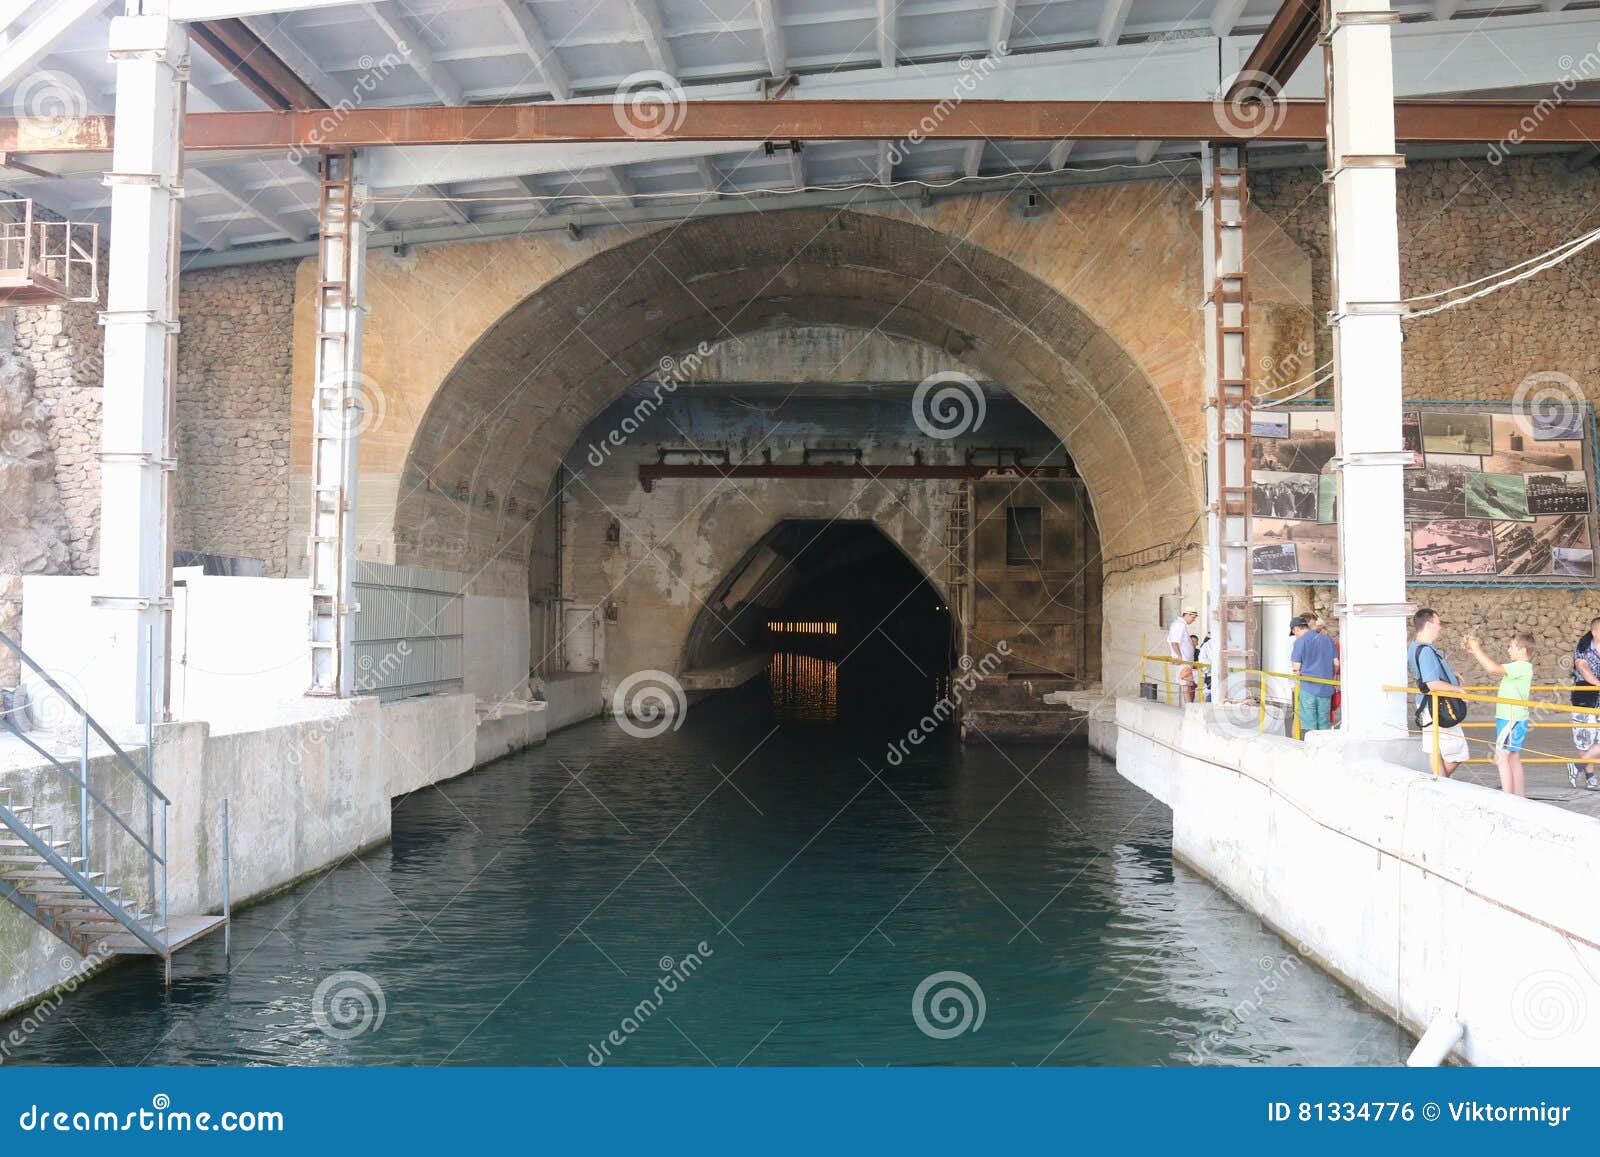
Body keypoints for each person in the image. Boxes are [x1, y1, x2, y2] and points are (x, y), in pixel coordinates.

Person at [1464, 632, 1534, 798]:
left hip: (1510, 718)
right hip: (1516, 717)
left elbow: (1493, 668)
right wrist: (1475, 652)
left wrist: (1477, 649)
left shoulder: (1520, 666)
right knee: (1513, 757)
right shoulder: (1523, 667)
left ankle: (1507, 798)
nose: (1508, 650)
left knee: (1501, 757)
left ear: (1523, 650)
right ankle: (1519, 797)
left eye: (1511, 646)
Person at [1408, 608, 1468, 778]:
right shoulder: (1426, 651)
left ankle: (1439, 782)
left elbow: (1428, 674)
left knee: (1435, 749)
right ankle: (1441, 782)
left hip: (1428, 703)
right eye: (1438, 623)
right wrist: (1458, 689)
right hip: (1437, 704)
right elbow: (1432, 683)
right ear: (1428, 625)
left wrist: (1450, 674)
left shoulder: (1415, 647)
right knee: (1458, 752)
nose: (1440, 628)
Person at [1565, 618, 1600, 791]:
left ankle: (1576, 765)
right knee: (1585, 740)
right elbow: (1583, 667)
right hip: (1585, 697)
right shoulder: (1583, 647)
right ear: (1595, 632)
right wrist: (1597, 683)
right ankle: (1590, 778)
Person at [1289, 615, 1337, 735]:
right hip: (1326, 687)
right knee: (1324, 722)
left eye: (1295, 633)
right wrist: (1330, 676)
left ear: (1296, 629)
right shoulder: (1327, 639)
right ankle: (1324, 744)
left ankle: (1311, 745)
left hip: (1308, 688)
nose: (1296, 635)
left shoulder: (1300, 642)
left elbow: (1296, 667)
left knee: (1309, 723)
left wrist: (1294, 681)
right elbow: (1336, 663)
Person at [1167, 606, 1199, 703]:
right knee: (1186, 685)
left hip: (1186, 661)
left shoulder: (1181, 625)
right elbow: (1174, 642)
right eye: (1193, 617)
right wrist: (1179, 657)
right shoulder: (1179, 625)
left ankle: (1189, 707)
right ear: (1188, 615)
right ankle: (1189, 708)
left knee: (1188, 685)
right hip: (1183, 661)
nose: (1193, 620)